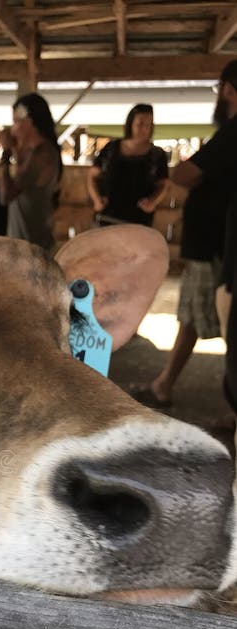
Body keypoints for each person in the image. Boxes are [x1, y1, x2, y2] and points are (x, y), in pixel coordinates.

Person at [172, 60, 237, 421]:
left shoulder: (231, 132)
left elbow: (186, 173)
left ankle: (165, 384)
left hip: (215, 242)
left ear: (228, 89)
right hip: (219, 240)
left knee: (201, 316)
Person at [131, 177, 227, 408]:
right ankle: (164, 384)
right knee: (190, 318)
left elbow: (185, 172)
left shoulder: (225, 144)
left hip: (215, 251)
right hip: (209, 250)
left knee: (226, 324)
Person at [0, 93, 62, 252]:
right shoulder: (38, 153)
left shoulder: (42, 156)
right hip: (27, 244)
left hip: (31, 249)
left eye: (16, 122)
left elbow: (6, 196)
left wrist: (5, 155)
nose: (13, 129)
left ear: (29, 122)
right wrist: (15, 150)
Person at [88, 103, 169, 226]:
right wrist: (97, 199)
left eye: (148, 124)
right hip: (107, 217)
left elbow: (163, 184)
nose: (144, 129)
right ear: (130, 123)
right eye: (140, 124)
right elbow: (92, 175)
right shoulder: (111, 149)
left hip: (139, 220)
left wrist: (152, 202)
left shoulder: (157, 154)